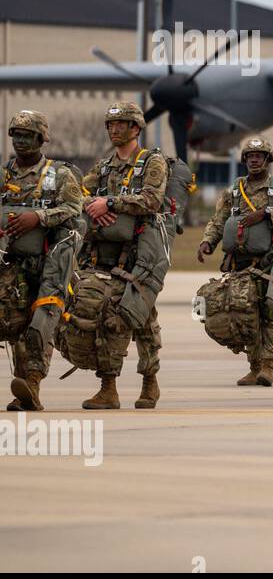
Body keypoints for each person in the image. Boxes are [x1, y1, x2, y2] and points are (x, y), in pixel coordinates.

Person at [78, 101, 171, 410]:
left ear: (136, 128)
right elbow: (79, 192)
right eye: (109, 125)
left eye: (120, 124)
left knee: (140, 315)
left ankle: (149, 380)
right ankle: (108, 386)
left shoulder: (152, 162)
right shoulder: (104, 166)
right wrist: (94, 205)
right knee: (106, 315)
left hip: (141, 253)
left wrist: (111, 204)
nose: (113, 129)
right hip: (104, 252)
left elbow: (151, 200)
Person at [196, 136, 273, 386]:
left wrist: (266, 215)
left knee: (270, 311)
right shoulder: (235, 189)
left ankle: (268, 365)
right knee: (247, 312)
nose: (254, 160)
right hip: (241, 262)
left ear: (268, 160)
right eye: (250, 157)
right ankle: (254, 366)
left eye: (259, 156)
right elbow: (219, 219)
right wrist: (208, 241)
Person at [2, 110, 83, 412]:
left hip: (51, 260)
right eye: (16, 135)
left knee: (41, 319)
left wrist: (38, 216)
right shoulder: (4, 174)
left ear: (41, 138)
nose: (21, 141)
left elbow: (75, 207)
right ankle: (24, 386)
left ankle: (32, 381)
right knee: (14, 318)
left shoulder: (59, 174)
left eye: (27, 135)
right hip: (13, 261)